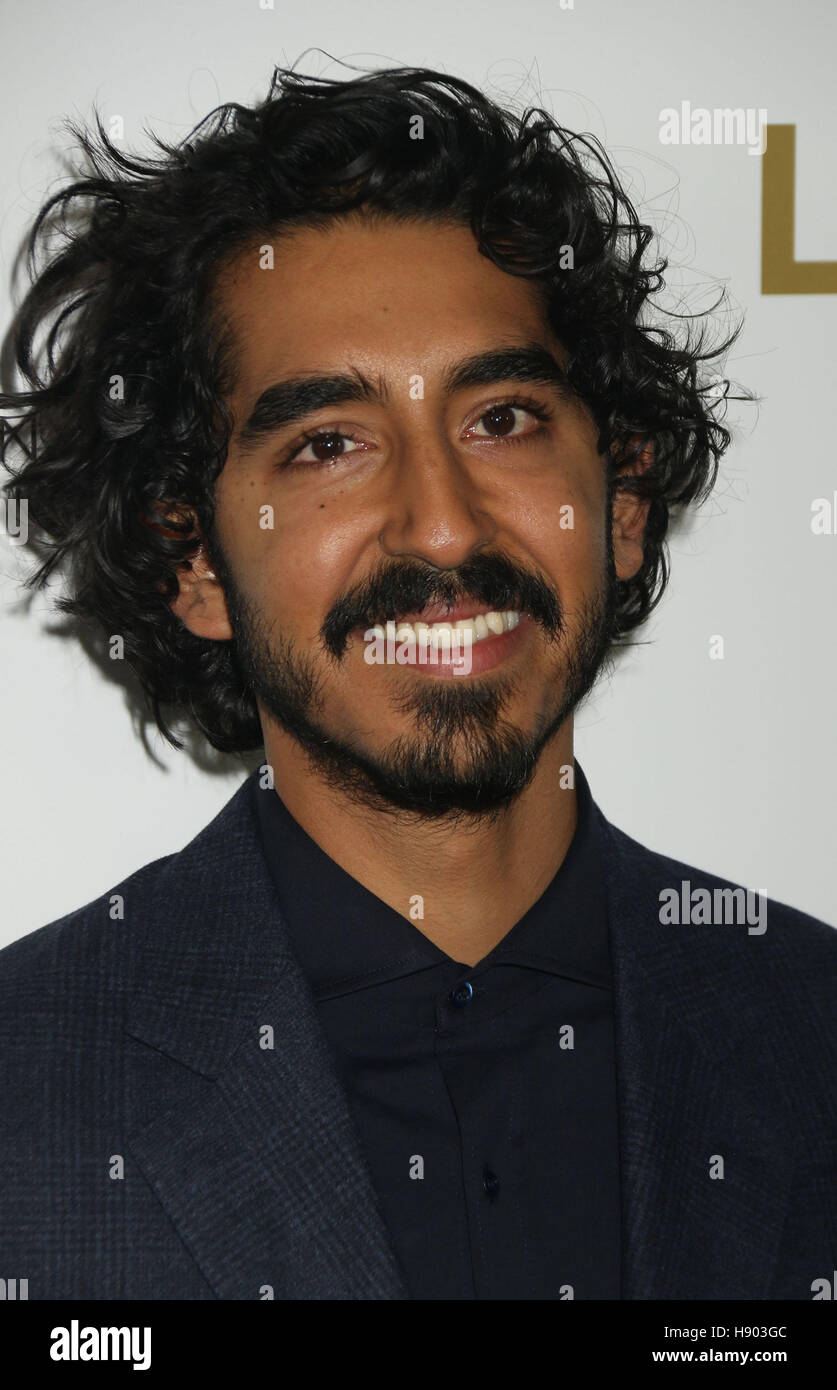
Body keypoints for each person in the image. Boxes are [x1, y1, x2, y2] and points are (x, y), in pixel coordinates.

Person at [1, 63, 834, 1302]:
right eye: (328, 444)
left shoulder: (812, 1029)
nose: (441, 529)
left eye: (502, 418)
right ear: (197, 566)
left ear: (622, 504)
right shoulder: (27, 1085)